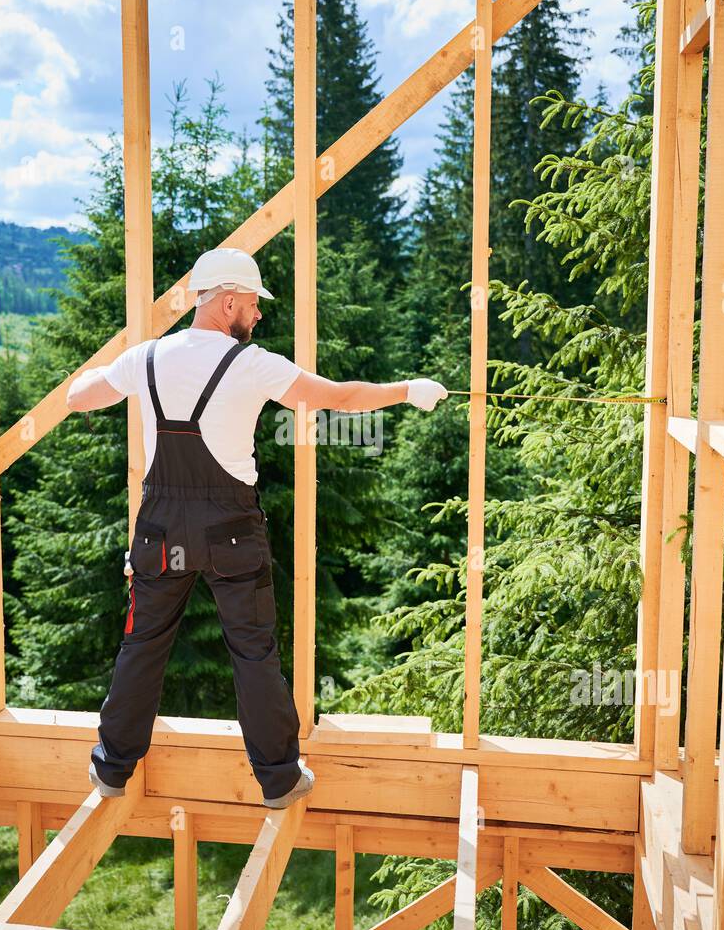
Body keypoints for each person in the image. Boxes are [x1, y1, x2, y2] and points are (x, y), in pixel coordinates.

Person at [66, 246, 448, 809]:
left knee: (142, 646)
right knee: (252, 651)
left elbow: (78, 398)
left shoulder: (145, 358)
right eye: (252, 303)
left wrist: (128, 365)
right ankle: (278, 779)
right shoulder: (250, 364)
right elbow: (337, 398)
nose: (259, 314)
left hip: (162, 535)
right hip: (230, 535)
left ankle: (111, 769)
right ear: (225, 304)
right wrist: (408, 391)